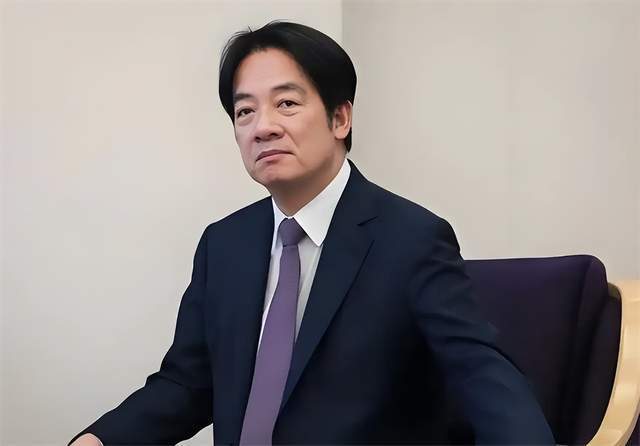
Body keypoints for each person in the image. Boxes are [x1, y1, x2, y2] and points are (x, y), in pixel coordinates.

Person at [69, 21, 555, 446]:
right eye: (245, 112)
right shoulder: (224, 244)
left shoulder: (411, 239)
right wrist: (99, 439)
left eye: (286, 103)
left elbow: (483, 377)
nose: (263, 127)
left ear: (340, 118)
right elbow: (187, 384)